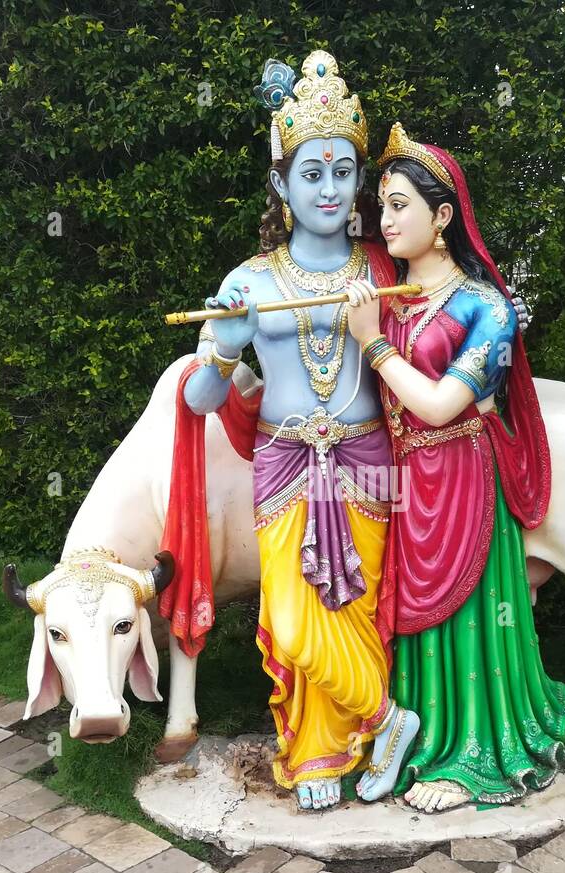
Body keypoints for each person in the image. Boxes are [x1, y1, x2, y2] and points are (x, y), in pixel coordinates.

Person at [178, 53, 421, 810]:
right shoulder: (247, 282)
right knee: (289, 615)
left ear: (360, 184)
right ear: (282, 185)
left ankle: (336, 754)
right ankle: (386, 721)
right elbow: (198, 399)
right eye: (310, 174)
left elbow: (432, 344)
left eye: (341, 173)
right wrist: (223, 343)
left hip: (367, 462)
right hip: (286, 462)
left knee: (354, 606)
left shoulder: (388, 269)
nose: (327, 189)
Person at [347, 124, 565, 812]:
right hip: (403, 484)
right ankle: (418, 739)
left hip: (463, 481)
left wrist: (372, 346)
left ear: (443, 216)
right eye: (382, 206)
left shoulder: (488, 308)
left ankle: (473, 752)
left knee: (470, 612)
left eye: (399, 206)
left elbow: (445, 404)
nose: (384, 220)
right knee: (409, 613)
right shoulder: (388, 296)